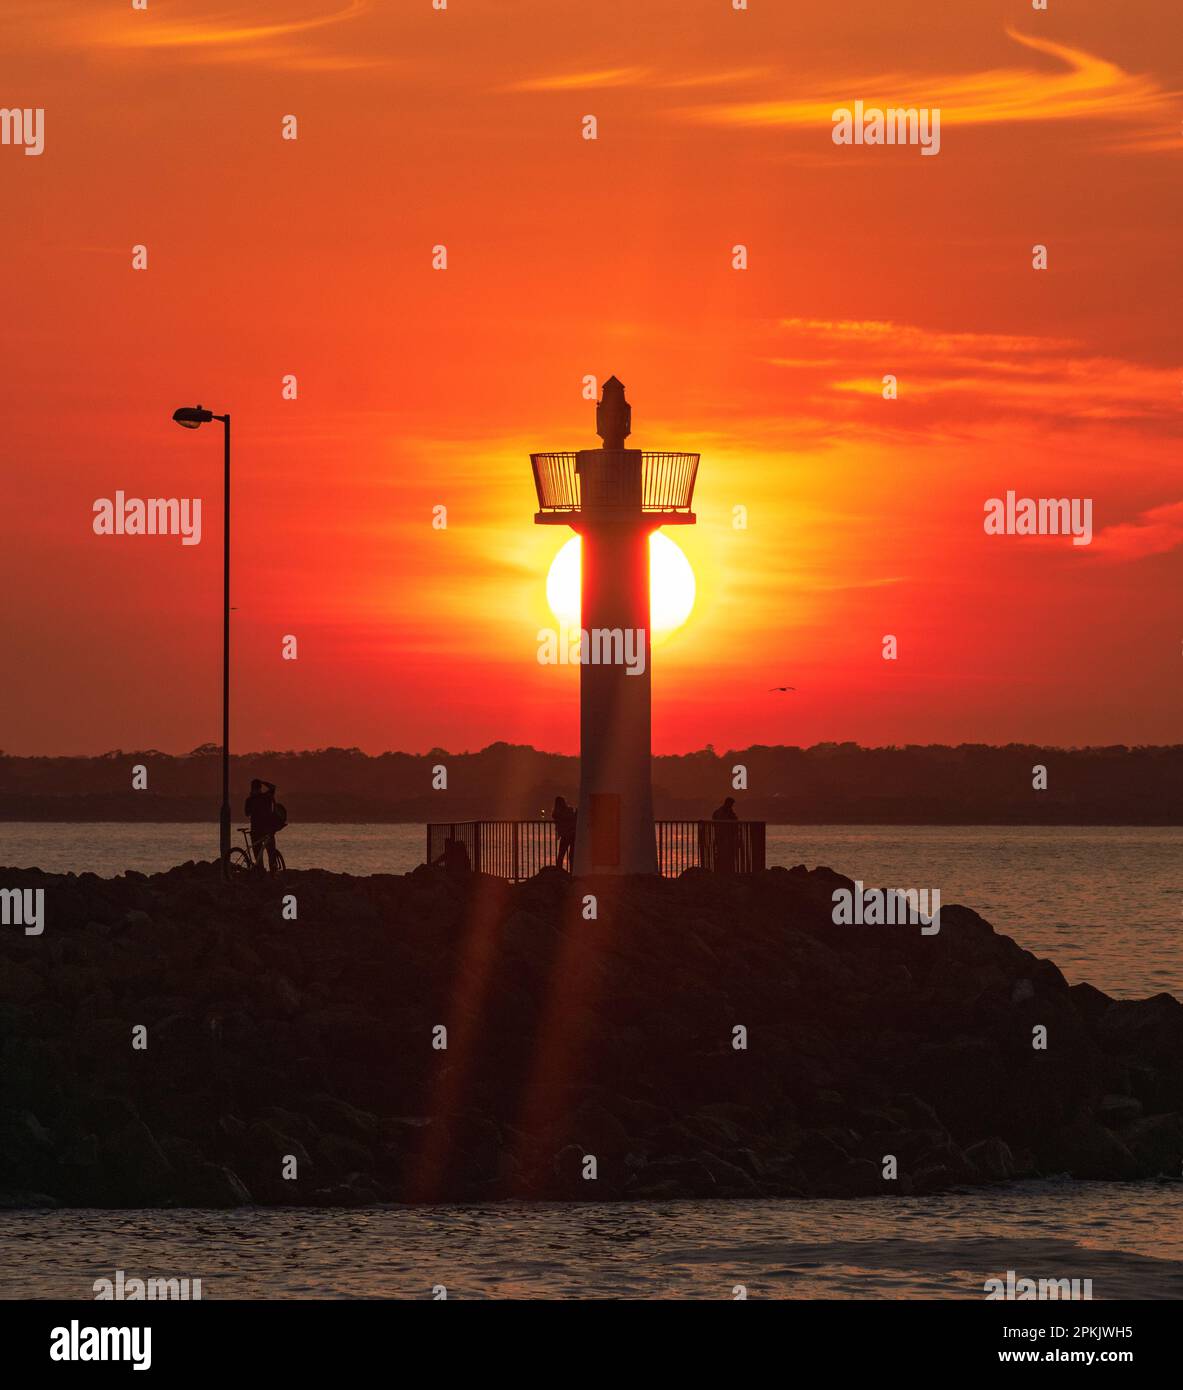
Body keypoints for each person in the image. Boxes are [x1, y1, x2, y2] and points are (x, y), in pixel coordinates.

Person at [245, 778, 280, 873]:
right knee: (271, 852)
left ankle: (262, 873)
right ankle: (273, 873)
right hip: (267, 829)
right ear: (260, 788)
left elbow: (247, 813)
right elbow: (273, 787)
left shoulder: (249, 800)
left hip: (256, 830)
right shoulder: (266, 796)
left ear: (252, 789)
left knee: (258, 855)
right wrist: (264, 782)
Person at [711, 796, 738, 874]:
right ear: (728, 803)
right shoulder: (723, 812)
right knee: (723, 853)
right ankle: (724, 871)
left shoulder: (726, 812)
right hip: (723, 836)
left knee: (726, 854)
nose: (731, 806)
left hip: (726, 837)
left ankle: (725, 870)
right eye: (731, 804)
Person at [553, 795, 577, 872]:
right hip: (572, 834)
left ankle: (558, 870)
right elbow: (573, 818)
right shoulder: (569, 810)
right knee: (571, 855)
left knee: (561, 854)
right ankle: (572, 871)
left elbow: (555, 817)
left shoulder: (556, 813)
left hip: (565, 835)